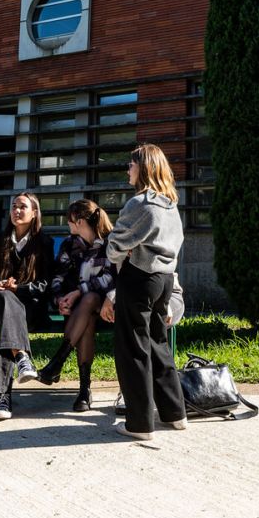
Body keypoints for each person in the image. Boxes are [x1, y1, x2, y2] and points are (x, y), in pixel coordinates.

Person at [105, 142, 186, 441]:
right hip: (164, 279)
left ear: (145, 167)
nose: (128, 168)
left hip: (139, 276)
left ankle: (139, 424)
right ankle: (175, 413)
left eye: (131, 164)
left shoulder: (140, 203)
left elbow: (116, 242)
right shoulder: (170, 204)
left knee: (133, 349)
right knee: (158, 344)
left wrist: (117, 260)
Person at [0, 192, 53, 419]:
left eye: (22, 207)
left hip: (29, 309)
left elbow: (45, 284)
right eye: (13, 207)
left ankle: (2, 399)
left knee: (6, 323)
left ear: (34, 213)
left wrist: (17, 289)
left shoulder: (44, 243)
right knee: (4, 301)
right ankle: (22, 357)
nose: (17, 211)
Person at [38, 199, 115, 412]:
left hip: (106, 306)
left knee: (89, 299)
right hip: (79, 312)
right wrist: (60, 300)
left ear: (79, 221)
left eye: (70, 220)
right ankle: (83, 390)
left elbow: (110, 279)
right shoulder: (69, 245)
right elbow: (57, 277)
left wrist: (77, 292)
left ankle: (59, 360)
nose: (68, 225)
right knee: (86, 314)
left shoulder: (110, 243)